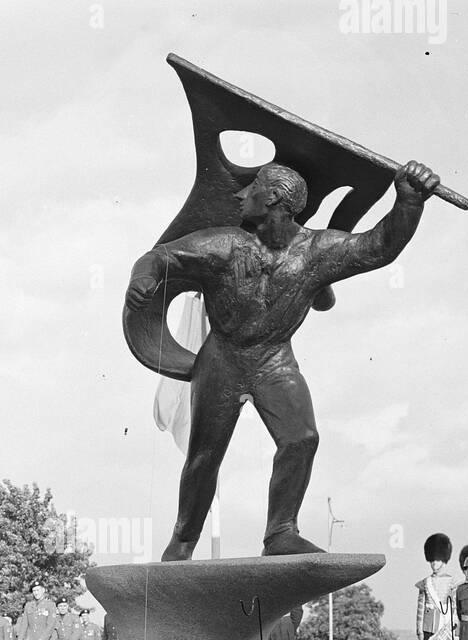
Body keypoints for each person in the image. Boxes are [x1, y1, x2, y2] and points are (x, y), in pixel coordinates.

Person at [126, 159, 441, 560]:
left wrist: (409, 203)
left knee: (301, 438)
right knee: (205, 456)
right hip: (222, 358)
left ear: (273, 197)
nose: (241, 195)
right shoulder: (224, 245)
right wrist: (143, 278)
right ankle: (183, 543)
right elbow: (158, 257)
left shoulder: (317, 251)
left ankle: (280, 533)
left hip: (273, 359)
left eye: (252, 187)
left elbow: (379, 246)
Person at [415, 533, 454, 640]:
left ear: (444, 561)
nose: (434, 564)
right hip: (429, 625)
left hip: (444, 626)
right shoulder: (425, 583)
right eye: (432, 560)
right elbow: (421, 607)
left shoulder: (452, 582)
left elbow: (453, 607)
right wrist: (419, 629)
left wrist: (453, 626)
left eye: (437, 560)